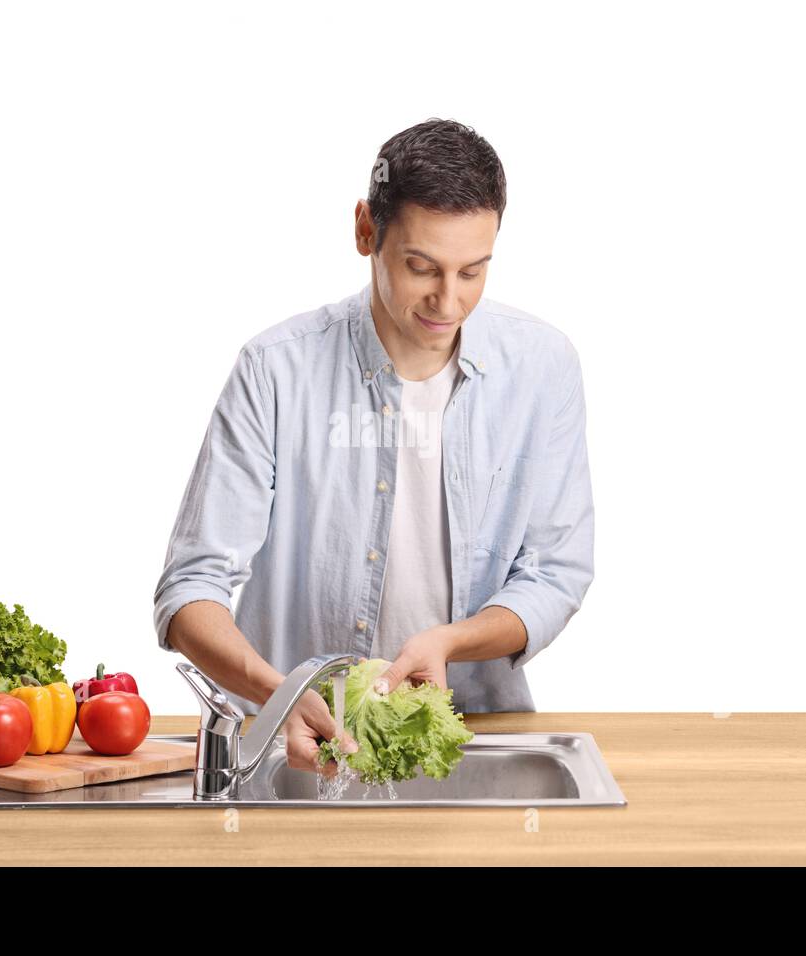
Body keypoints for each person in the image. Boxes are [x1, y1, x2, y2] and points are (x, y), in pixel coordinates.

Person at [153, 118, 594, 778]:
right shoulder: (276, 370)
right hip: (300, 744)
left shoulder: (542, 366)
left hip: (470, 738)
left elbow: (557, 571)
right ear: (366, 230)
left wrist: (452, 641)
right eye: (422, 267)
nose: (449, 301)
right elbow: (191, 589)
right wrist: (277, 694)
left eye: (472, 271)